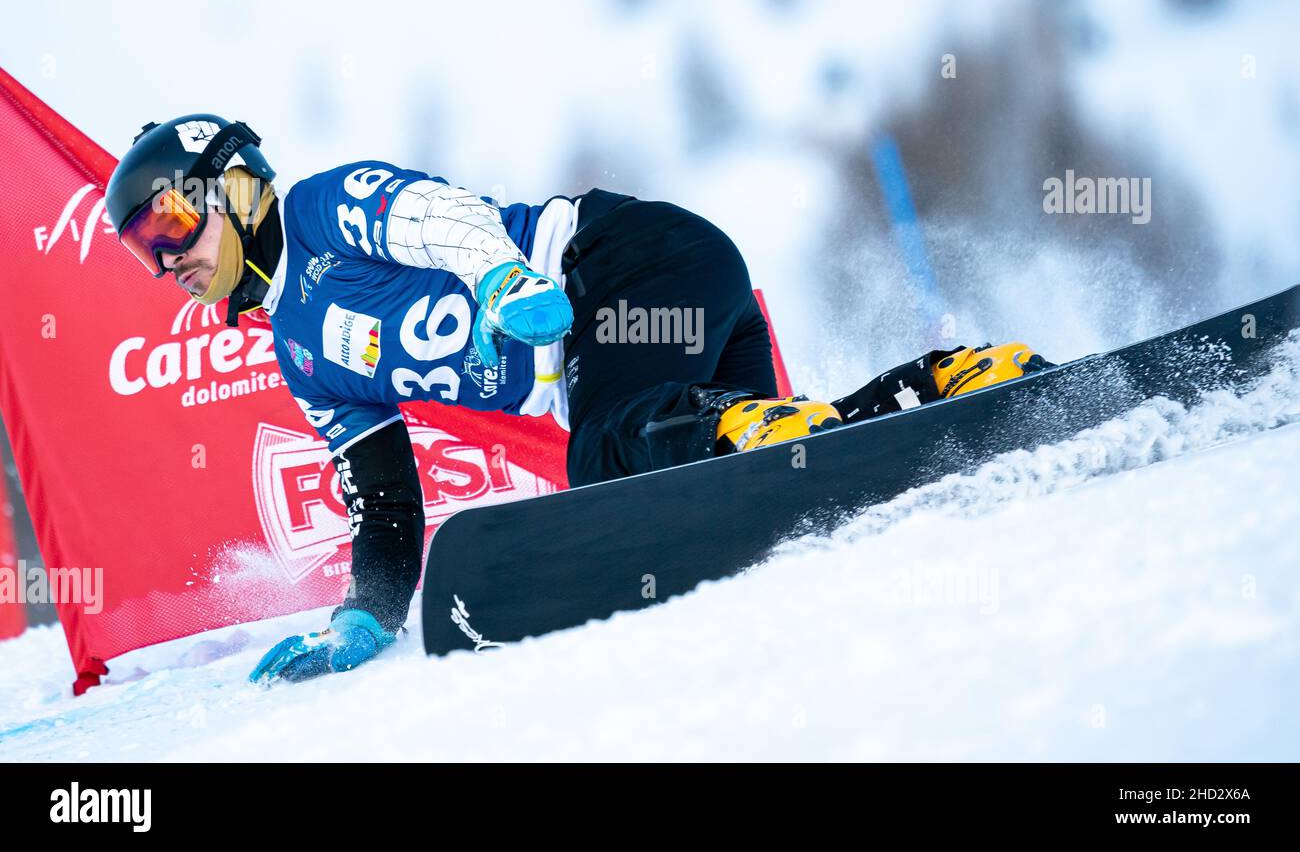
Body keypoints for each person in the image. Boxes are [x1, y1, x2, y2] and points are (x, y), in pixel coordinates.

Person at [106, 114, 1048, 683]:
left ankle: (728, 424)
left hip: (625, 263)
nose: (168, 257)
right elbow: (387, 506)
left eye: (172, 219)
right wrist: (363, 618)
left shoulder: (317, 210)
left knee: (601, 456)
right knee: (786, 466)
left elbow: (438, 216)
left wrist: (502, 284)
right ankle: (958, 380)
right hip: (665, 322)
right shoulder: (302, 360)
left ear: (233, 187)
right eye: (143, 249)